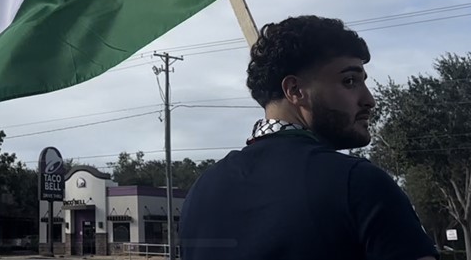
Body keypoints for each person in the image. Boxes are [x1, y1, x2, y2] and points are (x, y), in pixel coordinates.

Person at [179, 15, 438, 260]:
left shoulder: (201, 192)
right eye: (349, 81)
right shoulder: (358, 184)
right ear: (295, 90)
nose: (369, 100)